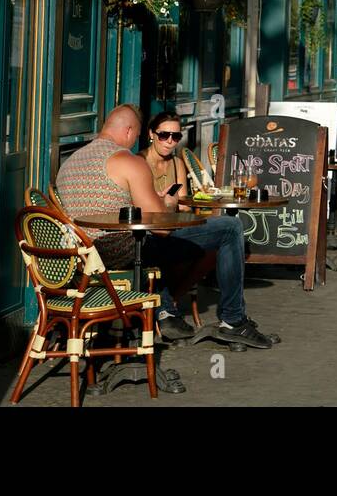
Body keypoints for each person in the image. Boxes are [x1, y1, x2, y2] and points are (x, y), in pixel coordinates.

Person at [54, 105, 275, 349]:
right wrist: (166, 203)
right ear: (129, 131)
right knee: (230, 226)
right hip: (124, 249)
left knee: (168, 245)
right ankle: (233, 321)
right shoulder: (127, 161)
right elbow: (161, 227)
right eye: (136, 135)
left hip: (84, 257)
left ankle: (166, 312)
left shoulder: (69, 163)